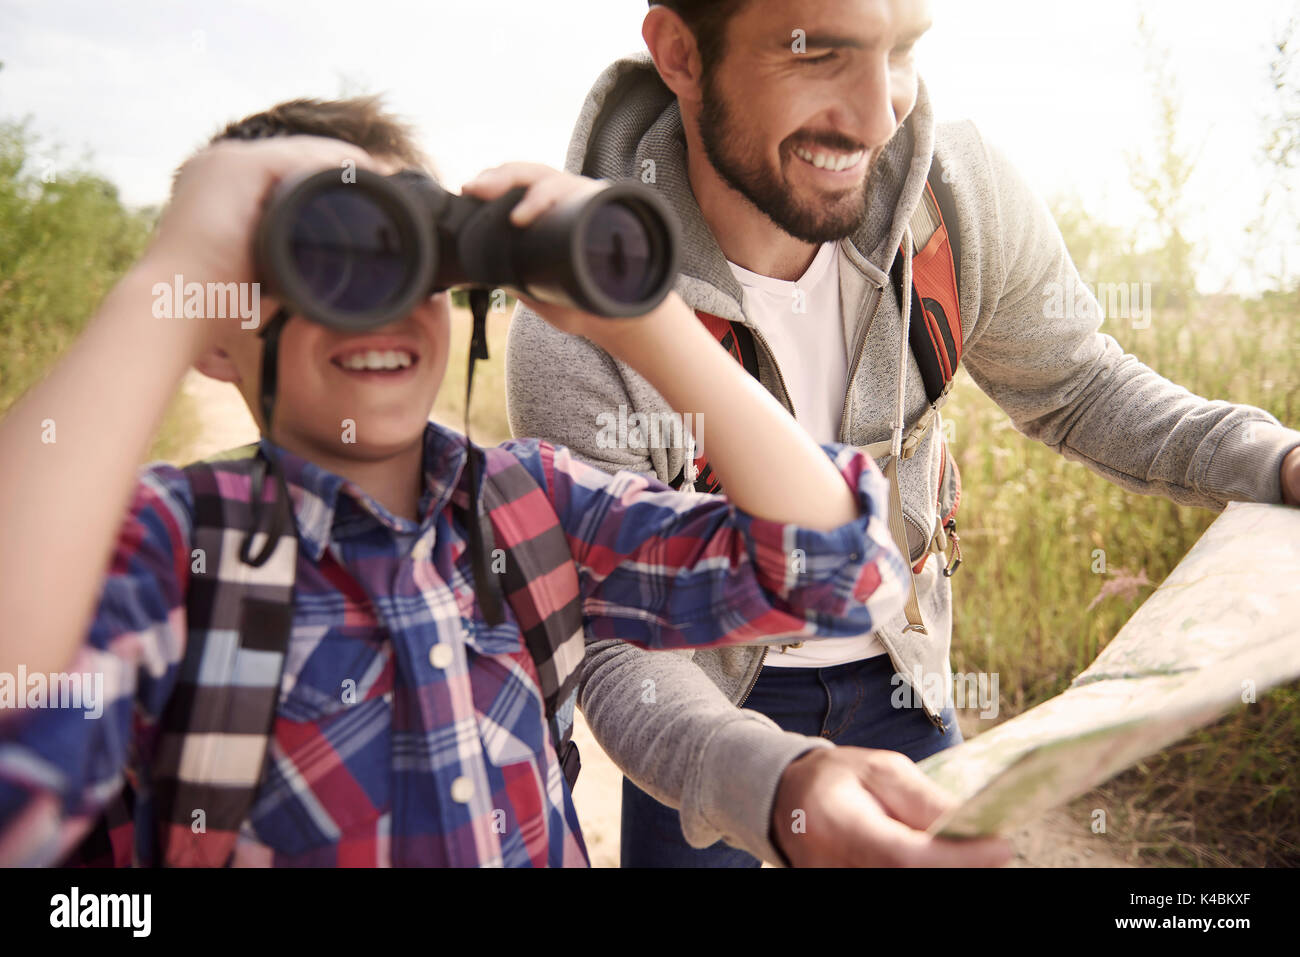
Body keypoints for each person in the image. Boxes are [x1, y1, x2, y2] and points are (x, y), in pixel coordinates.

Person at [0, 96, 1011, 868]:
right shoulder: (168, 548)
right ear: (212, 333)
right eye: (313, 264)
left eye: (408, 255)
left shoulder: (529, 505)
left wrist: (644, 321)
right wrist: (166, 277)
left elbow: (829, 565)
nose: (373, 308)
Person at [505, 0, 1300, 867]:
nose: (882, 113)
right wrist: (776, 786)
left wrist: (1277, 460)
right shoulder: (574, 315)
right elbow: (616, 638)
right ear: (682, 54)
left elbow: (1079, 388)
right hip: (706, 718)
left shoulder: (960, 200)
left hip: (905, 684)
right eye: (820, 57)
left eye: (902, 51)